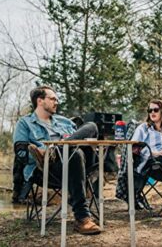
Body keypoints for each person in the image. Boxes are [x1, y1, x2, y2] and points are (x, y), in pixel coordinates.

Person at [13, 85, 101, 235]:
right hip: (47, 169)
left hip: (74, 164)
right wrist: (38, 154)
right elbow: (21, 154)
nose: (56, 102)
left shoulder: (65, 122)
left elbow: (81, 139)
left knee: (91, 127)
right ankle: (82, 219)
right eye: (53, 98)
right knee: (76, 153)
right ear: (40, 101)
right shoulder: (24, 123)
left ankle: (55, 150)